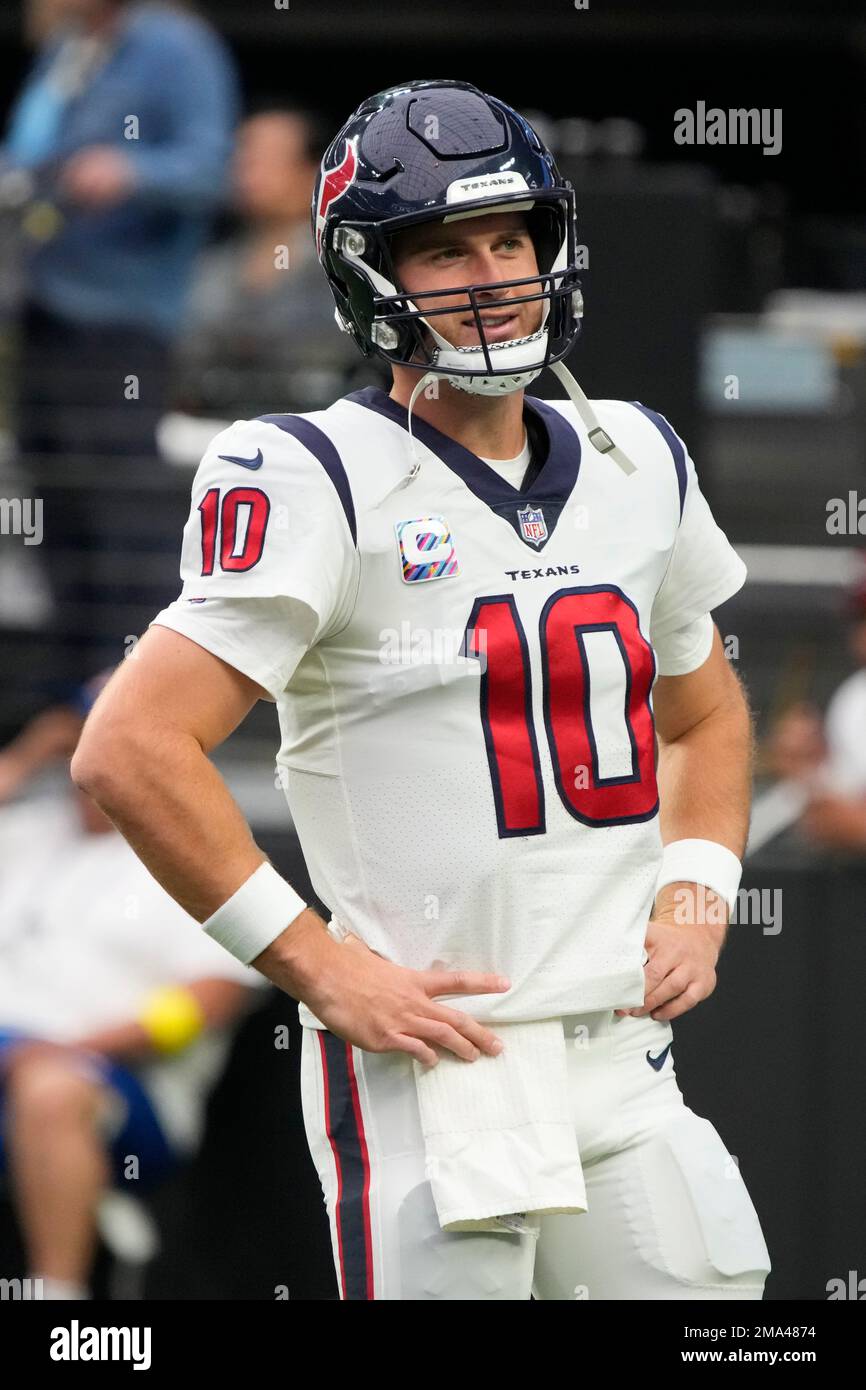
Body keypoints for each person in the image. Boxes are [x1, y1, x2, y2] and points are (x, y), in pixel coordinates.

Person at [71, 80, 772, 1300]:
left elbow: (703, 710)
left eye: (509, 239)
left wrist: (699, 889)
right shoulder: (313, 475)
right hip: (439, 1063)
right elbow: (128, 749)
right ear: (366, 279)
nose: (491, 274)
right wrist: (315, 965)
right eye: (443, 249)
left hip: (620, 1048)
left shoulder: (633, 454)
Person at [2, 0, 240, 689]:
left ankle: (141, 703)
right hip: (40, 312)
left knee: (121, 523)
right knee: (58, 519)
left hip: (121, 325)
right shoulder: (69, 51)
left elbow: (210, 166)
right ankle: (74, 714)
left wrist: (129, 172)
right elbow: (31, 161)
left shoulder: (177, 46)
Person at [171, 107, 388, 422]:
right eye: (242, 155)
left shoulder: (348, 268)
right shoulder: (211, 267)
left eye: (266, 158)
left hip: (318, 436)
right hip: (215, 433)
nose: (246, 169)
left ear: (312, 171)